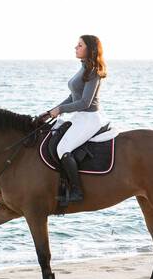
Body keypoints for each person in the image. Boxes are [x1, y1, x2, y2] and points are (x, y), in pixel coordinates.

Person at [38, 34, 107, 205]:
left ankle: (77, 191)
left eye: (80, 45)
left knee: (63, 148)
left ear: (89, 49)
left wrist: (60, 109)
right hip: (80, 116)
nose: (75, 47)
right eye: (77, 45)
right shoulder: (84, 67)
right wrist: (51, 112)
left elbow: (85, 102)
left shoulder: (93, 71)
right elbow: (73, 96)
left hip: (90, 117)